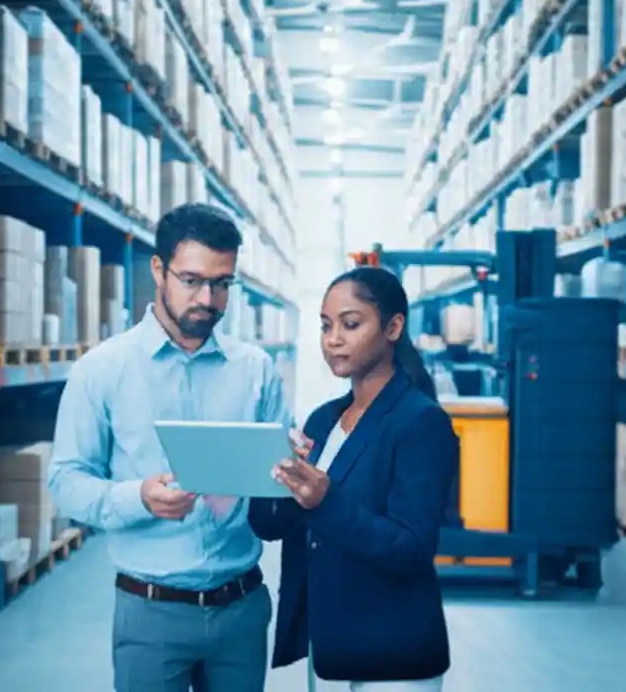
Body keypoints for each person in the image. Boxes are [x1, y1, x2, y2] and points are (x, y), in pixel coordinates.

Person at [49, 203, 286, 692]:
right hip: (151, 614)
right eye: (193, 280)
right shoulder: (103, 369)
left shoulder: (256, 369)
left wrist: (292, 470)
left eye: (223, 284)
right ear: (159, 270)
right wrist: (139, 497)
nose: (208, 298)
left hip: (241, 608)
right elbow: (66, 481)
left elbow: (276, 479)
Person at [249, 266, 460, 691]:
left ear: (393, 327)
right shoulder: (324, 419)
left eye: (351, 324)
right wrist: (271, 473)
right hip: (329, 644)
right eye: (326, 326)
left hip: (392, 652)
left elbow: (412, 549)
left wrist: (324, 501)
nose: (333, 339)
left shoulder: (421, 422)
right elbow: (272, 526)